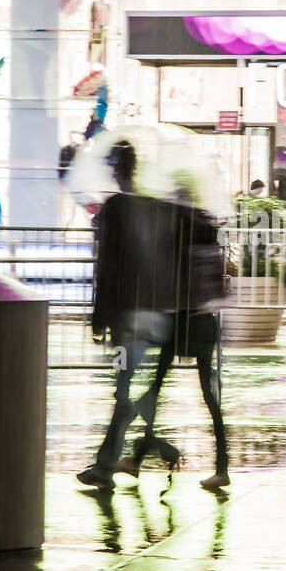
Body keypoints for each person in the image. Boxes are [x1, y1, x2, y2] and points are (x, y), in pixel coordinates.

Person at [79, 141, 180, 491]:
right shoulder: (154, 207)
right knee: (133, 391)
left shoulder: (116, 208)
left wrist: (98, 318)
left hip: (128, 318)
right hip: (157, 314)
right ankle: (146, 447)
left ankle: (111, 464)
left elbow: (107, 268)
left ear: (115, 169)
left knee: (123, 392)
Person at [116, 186, 230, 489]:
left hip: (180, 323)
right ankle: (221, 467)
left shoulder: (181, 247)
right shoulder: (209, 245)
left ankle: (141, 456)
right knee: (207, 396)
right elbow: (219, 291)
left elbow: (173, 289)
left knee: (155, 389)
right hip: (204, 326)